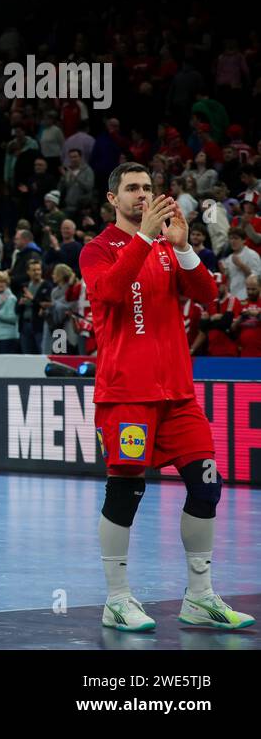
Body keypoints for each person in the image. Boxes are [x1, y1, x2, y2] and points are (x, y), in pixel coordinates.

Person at [80, 162, 253, 632]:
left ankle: (199, 597)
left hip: (177, 394)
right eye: (133, 189)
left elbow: (207, 296)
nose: (142, 195)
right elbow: (112, 294)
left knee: (207, 486)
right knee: (126, 492)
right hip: (125, 395)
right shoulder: (96, 251)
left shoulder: (165, 248)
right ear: (113, 199)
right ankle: (117, 599)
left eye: (148, 188)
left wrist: (184, 249)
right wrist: (144, 239)